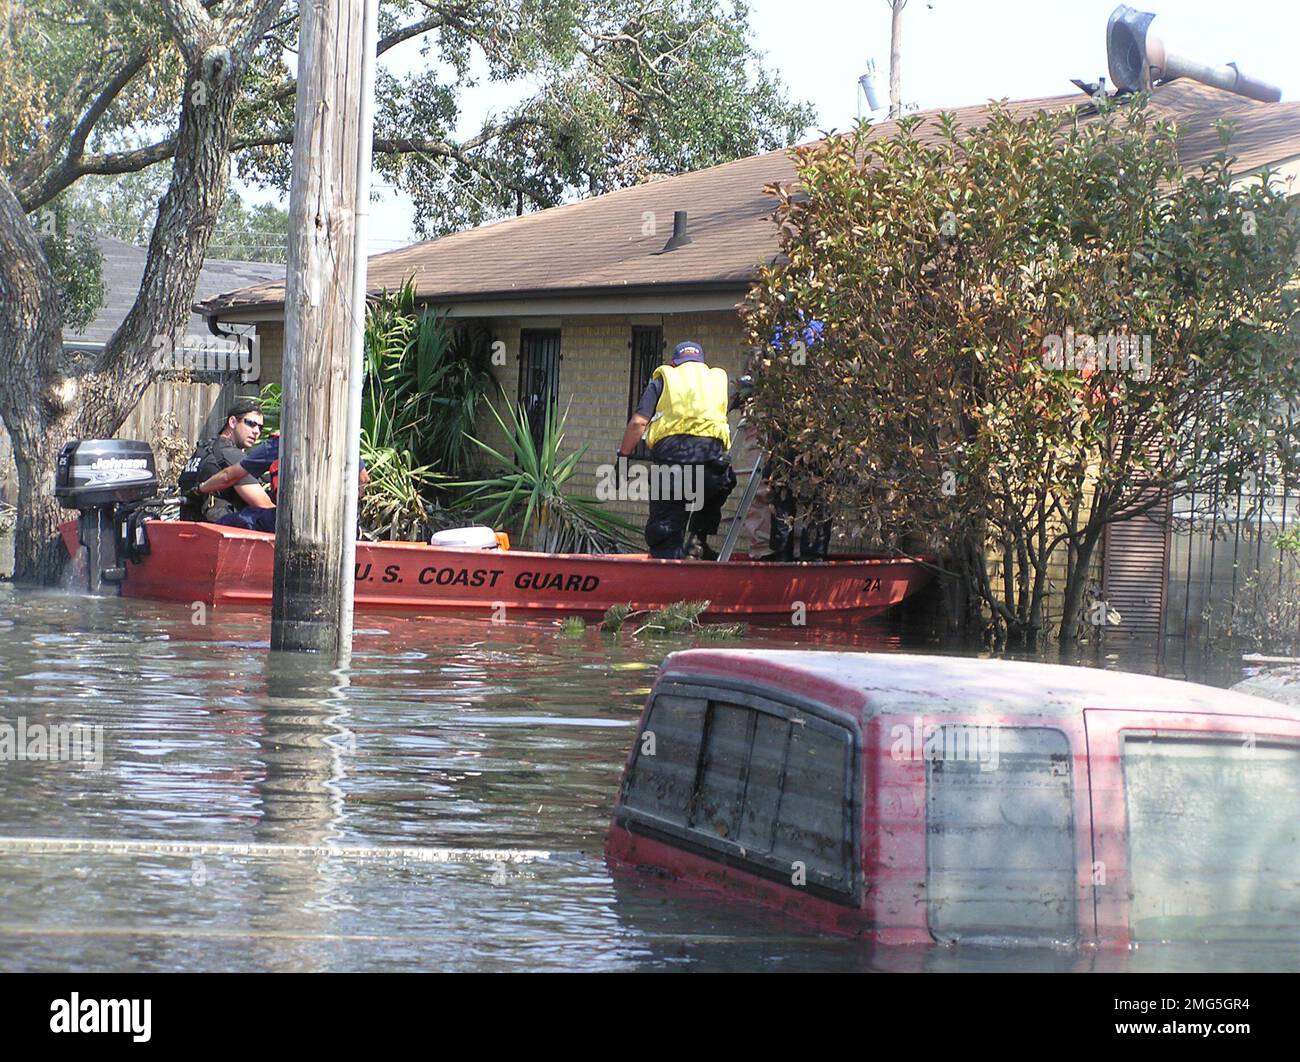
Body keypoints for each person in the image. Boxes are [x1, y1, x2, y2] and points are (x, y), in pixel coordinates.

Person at [618, 339, 736, 560]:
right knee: (721, 483)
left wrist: (623, 457)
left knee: (666, 526)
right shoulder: (718, 381)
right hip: (712, 464)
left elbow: (638, 423)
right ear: (701, 363)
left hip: (673, 462)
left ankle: (668, 568)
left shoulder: (666, 379)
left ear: (674, 363)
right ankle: (698, 540)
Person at [196, 432, 370, 534]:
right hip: (341, 525)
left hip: (295, 523)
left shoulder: (285, 439)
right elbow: (364, 480)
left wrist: (200, 488)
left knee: (228, 522)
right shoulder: (342, 439)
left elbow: (229, 476)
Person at [178, 400, 276, 531]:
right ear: (232, 422)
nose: (256, 431)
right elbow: (264, 504)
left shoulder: (203, 451)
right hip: (219, 535)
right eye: (251, 424)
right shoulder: (230, 455)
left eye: (260, 427)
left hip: (190, 531)